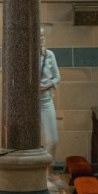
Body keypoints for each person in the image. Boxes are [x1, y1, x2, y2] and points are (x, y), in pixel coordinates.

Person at [39, 29, 60, 160]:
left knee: (52, 141)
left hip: (46, 101)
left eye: (42, 35)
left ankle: (49, 173)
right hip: (30, 104)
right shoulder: (27, 55)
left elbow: (57, 77)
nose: (41, 38)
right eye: (38, 35)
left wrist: (47, 85)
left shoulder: (49, 55)